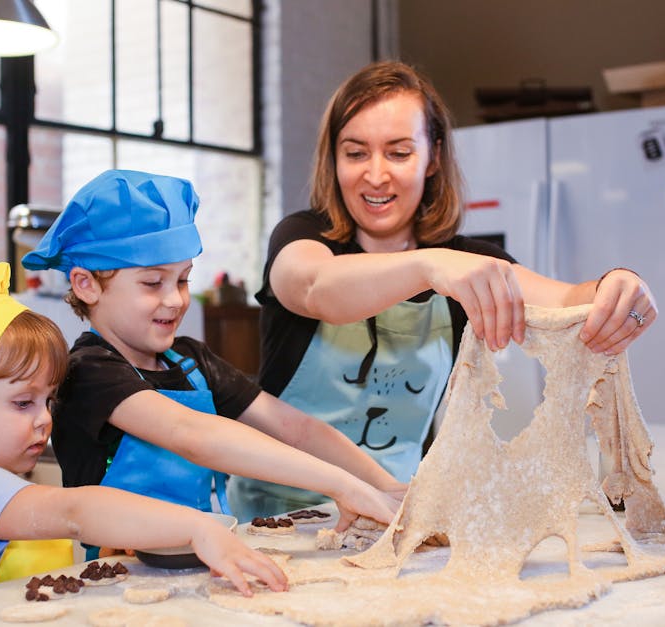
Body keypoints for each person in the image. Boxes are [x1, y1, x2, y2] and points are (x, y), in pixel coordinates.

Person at [230, 60, 658, 517]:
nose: (375, 175)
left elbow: (569, 300)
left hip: (393, 508)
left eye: (398, 153)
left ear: (433, 157)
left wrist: (619, 286)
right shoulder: (302, 238)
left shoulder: (464, 262)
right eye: (356, 153)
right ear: (333, 160)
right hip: (275, 518)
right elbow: (315, 288)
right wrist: (430, 266)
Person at [0, 263, 286, 602]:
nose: (44, 419)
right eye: (23, 403)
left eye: (48, 401)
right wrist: (198, 528)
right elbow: (77, 512)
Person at [21, 169, 403, 542]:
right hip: (120, 575)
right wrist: (338, 483)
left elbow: (295, 428)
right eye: (153, 282)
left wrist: (385, 486)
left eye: (183, 279)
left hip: (208, 557)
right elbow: (192, 435)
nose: (174, 299)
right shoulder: (88, 372)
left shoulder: (190, 361)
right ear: (86, 284)